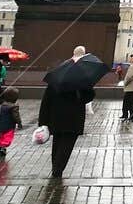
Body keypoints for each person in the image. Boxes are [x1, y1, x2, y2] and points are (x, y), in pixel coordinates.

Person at [38, 46, 105, 179]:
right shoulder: (81, 78)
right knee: (67, 145)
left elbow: (46, 100)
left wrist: (43, 121)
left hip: (55, 118)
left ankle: (55, 168)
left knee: (57, 144)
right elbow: (89, 97)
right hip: (73, 118)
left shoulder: (57, 76)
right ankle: (58, 169)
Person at [0, 87, 22, 157]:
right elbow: (16, 116)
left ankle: (1, 146)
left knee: (1, 136)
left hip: (1, 125)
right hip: (9, 126)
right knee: (8, 137)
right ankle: (3, 147)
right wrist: (19, 123)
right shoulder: (14, 106)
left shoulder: (3, 105)